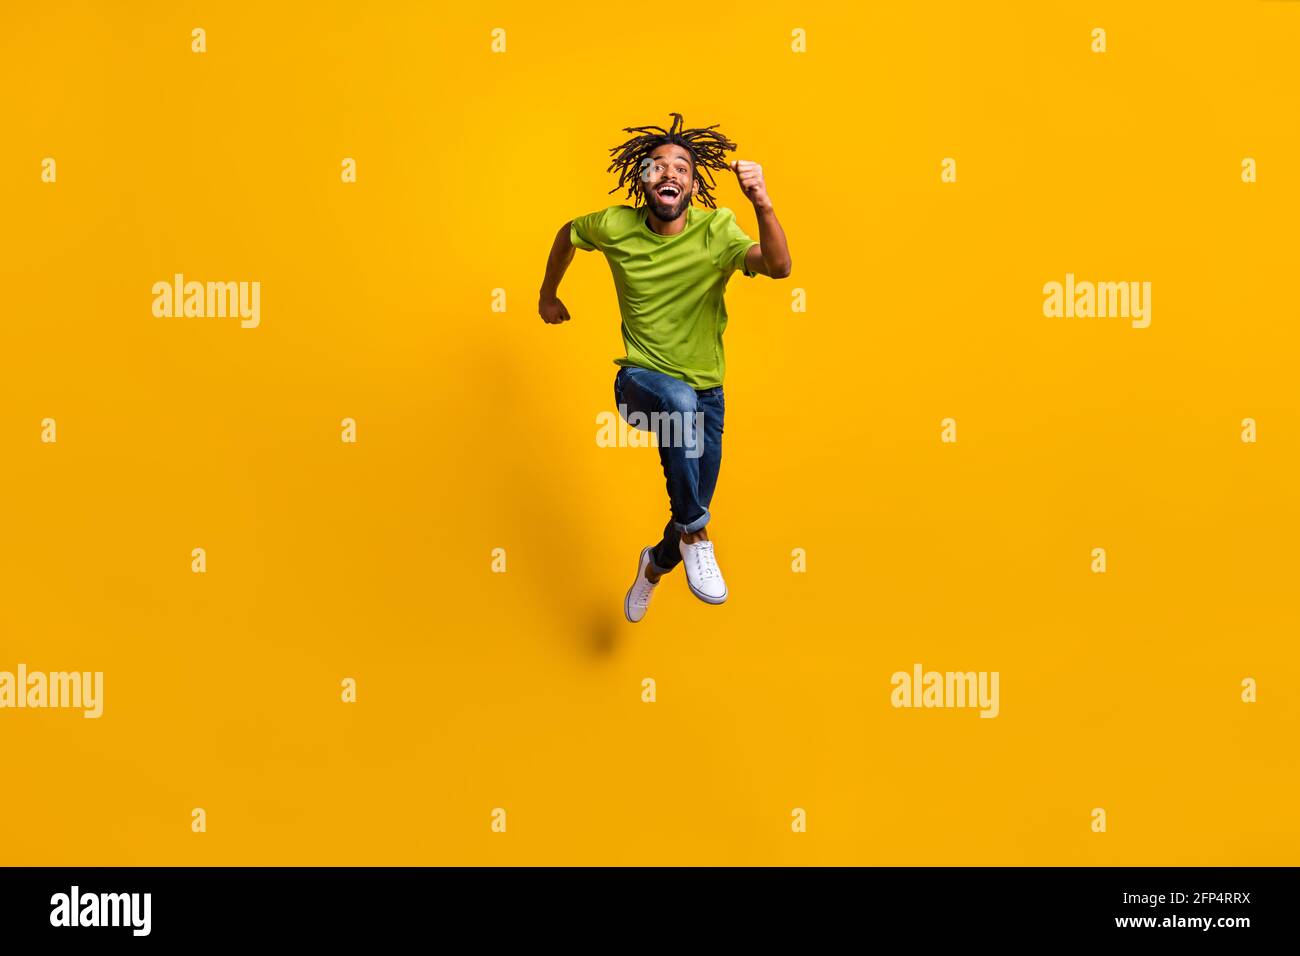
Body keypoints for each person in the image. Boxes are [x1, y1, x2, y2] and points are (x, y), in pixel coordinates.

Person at [537, 113, 792, 623]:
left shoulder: (716, 230)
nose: (668, 172)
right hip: (640, 383)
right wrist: (548, 294)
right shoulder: (614, 225)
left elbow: (779, 266)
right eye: (656, 166)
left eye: (681, 166)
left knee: (689, 498)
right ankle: (699, 534)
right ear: (642, 180)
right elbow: (567, 234)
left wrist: (762, 204)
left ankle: (654, 565)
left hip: (707, 397)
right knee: (679, 428)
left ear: (693, 185)